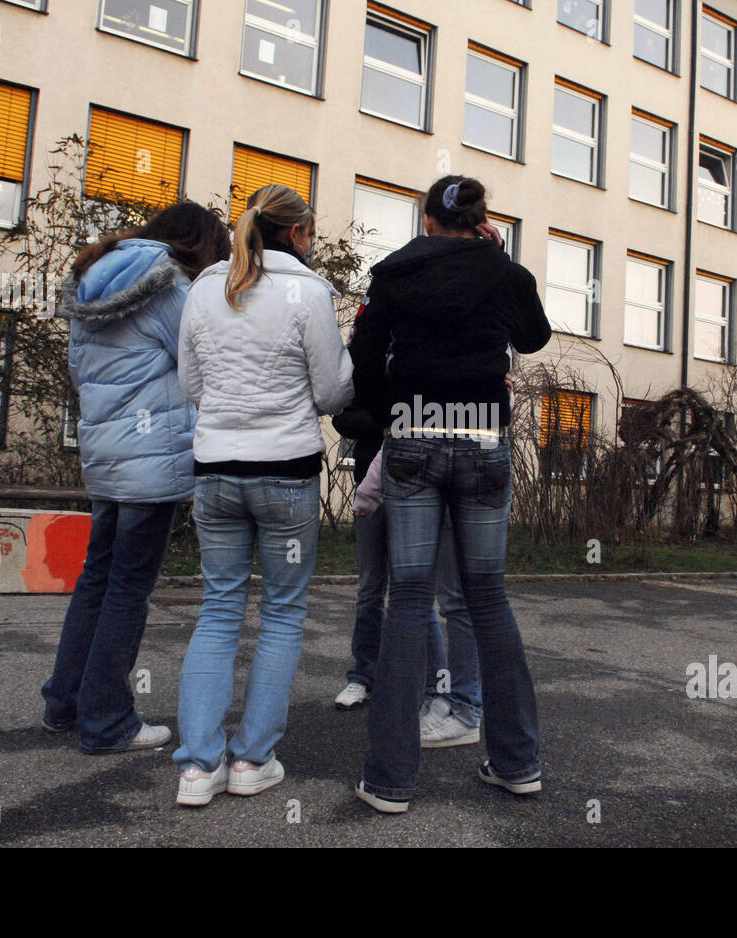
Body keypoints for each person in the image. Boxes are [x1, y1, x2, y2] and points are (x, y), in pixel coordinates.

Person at [349, 175, 552, 813]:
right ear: (481, 220)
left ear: (428, 220)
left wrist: (387, 415)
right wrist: (499, 256)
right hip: (484, 438)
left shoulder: (394, 271)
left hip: (413, 435)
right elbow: (535, 338)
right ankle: (518, 764)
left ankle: (389, 782)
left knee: (408, 599)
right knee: (486, 596)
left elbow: (363, 352)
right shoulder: (502, 273)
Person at [172, 184, 353, 806]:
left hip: (215, 471)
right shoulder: (308, 290)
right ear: (299, 234)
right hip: (286, 473)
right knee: (281, 614)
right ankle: (252, 760)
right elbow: (331, 394)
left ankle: (196, 767)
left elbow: (190, 383)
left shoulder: (204, 288)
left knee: (218, 610)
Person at [42, 201, 231, 754]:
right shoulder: (169, 284)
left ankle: (64, 703)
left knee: (96, 579)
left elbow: (83, 372)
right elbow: (200, 362)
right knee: (128, 588)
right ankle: (107, 721)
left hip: (105, 455)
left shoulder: (92, 277)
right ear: (198, 245)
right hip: (152, 461)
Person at [332, 416, 483, 749]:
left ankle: (447, 698)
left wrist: (401, 424)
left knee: (427, 595)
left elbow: (495, 410)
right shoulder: (381, 368)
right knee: (375, 589)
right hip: (386, 473)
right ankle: (366, 678)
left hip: (427, 482)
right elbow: (345, 416)